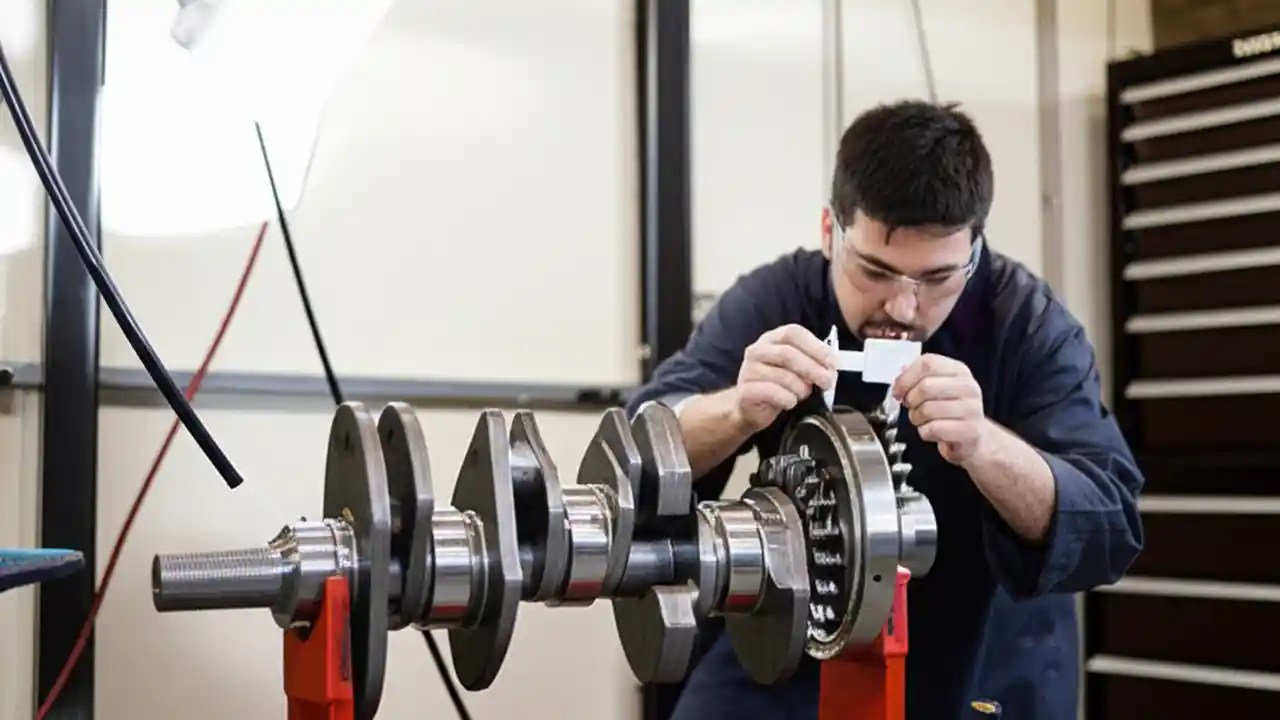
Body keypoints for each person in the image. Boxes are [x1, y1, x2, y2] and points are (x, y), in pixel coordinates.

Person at [625, 100, 1144, 720]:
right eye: (875, 270)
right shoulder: (778, 298)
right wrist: (736, 409)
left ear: (974, 252)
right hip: (796, 648)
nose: (903, 307)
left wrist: (984, 445)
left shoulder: (1027, 324)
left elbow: (1109, 522)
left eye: (937, 277)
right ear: (829, 231)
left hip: (979, 665)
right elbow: (640, 447)